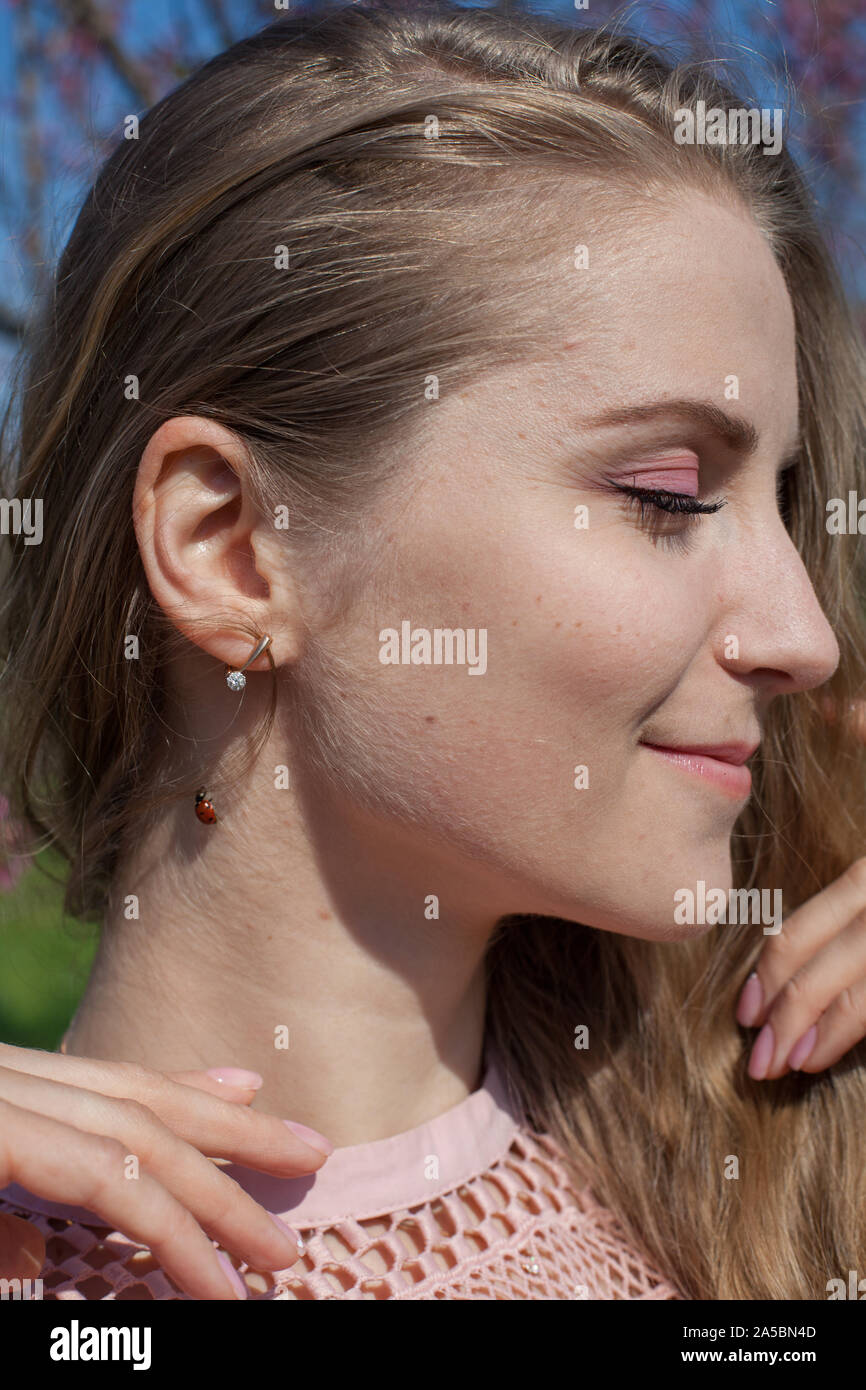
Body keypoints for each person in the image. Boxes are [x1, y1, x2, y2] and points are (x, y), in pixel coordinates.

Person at [0, 0, 865, 1302]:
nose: (802, 636)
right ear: (231, 548)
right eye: (669, 492)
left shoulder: (790, 1180)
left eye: (781, 505)